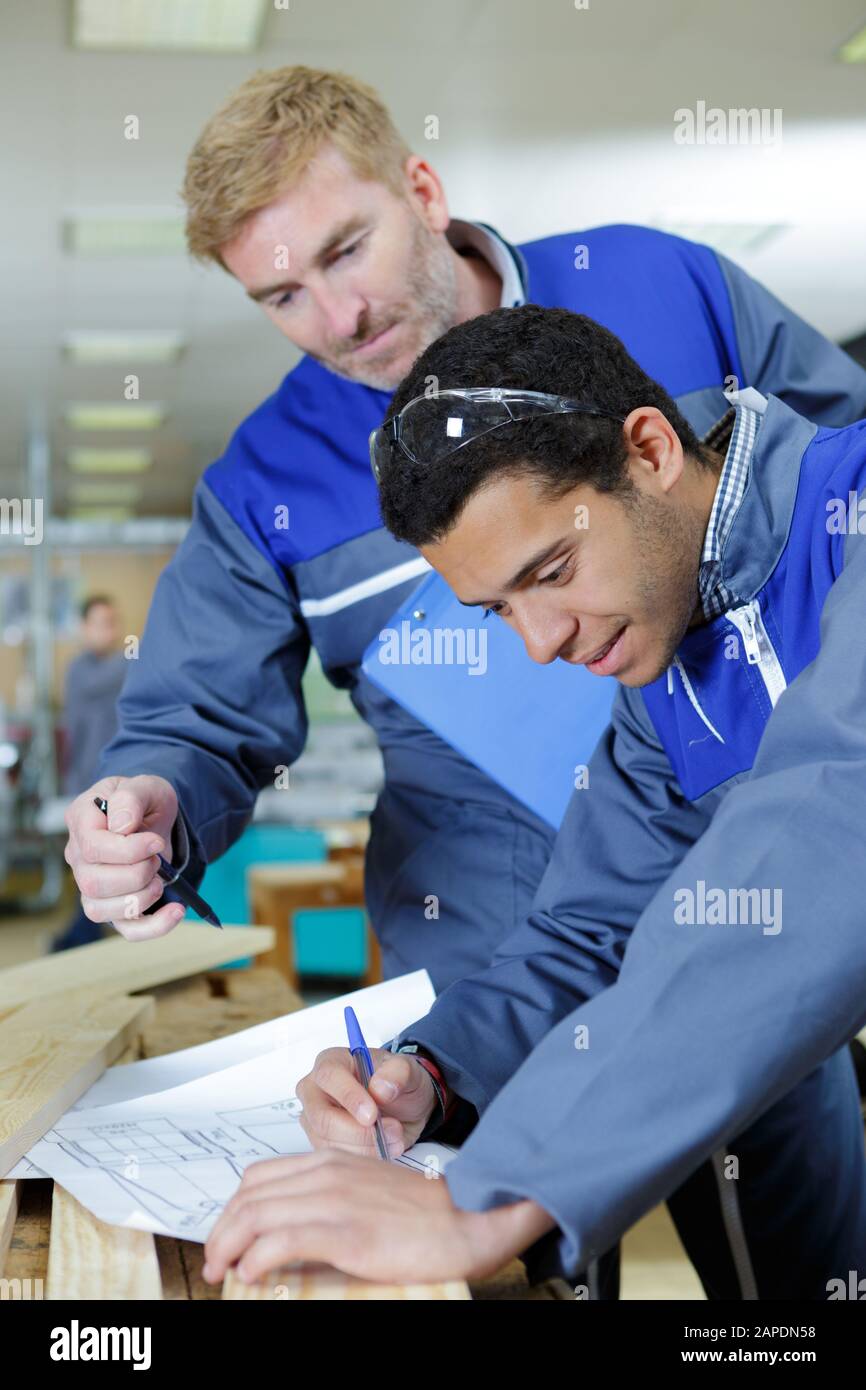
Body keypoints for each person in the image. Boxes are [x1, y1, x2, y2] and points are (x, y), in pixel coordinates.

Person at [63, 65, 866, 987]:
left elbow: (836, 490)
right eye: (282, 298)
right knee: (469, 1114)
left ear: (423, 191)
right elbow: (195, 718)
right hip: (483, 935)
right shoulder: (261, 483)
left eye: (347, 250)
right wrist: (154, 803)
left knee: (775, 1119)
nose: (340, 318)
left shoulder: (664, 289)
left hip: (753, 872)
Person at [202, 307, 866, 1299]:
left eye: (549, 572)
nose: (540, 641)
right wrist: (430, 1074)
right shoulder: (666, 676)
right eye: (498, 608)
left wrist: (497, 1194)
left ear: (645, 449)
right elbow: (588, 932)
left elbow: (831, 825)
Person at [52, 596, 127, 950]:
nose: (108, 631)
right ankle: (81, 934)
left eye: (113, 622)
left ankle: (85, 933)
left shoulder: (120, 667)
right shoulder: (83, 671)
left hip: (117, 780)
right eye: (100, 623)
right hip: (86, 782)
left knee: (108, 861)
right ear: (84, 628)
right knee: (91, 861)